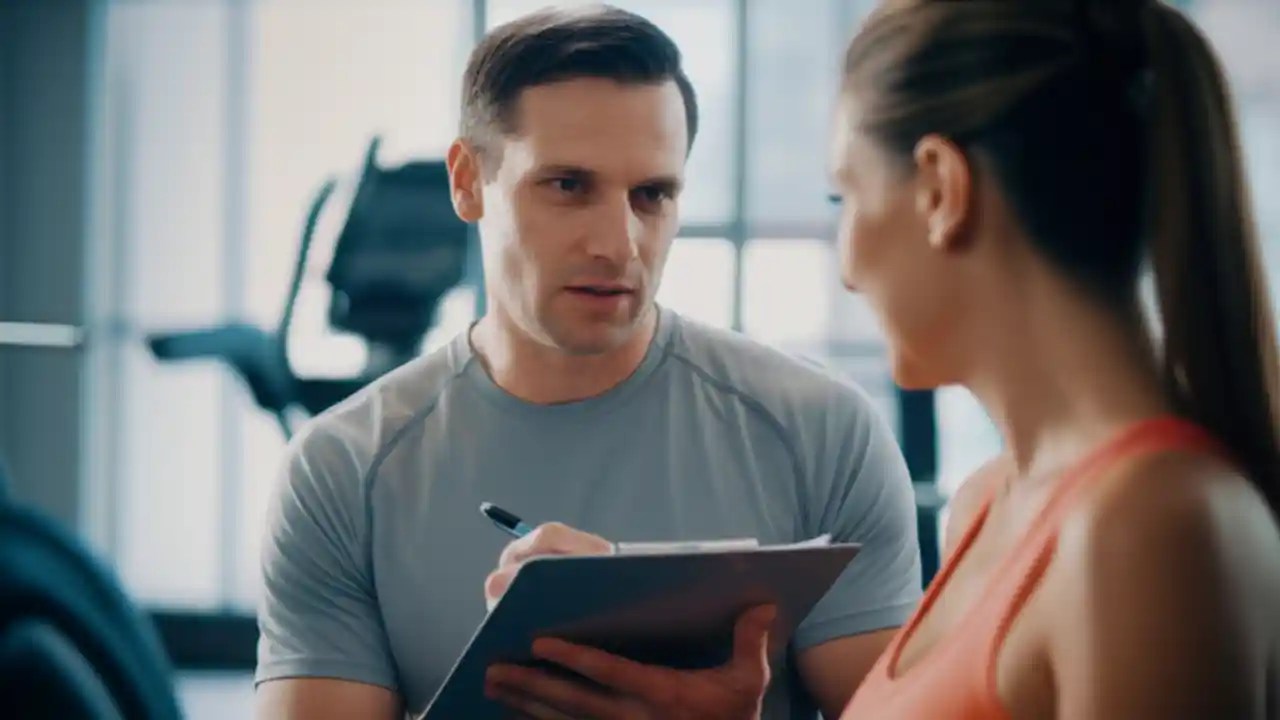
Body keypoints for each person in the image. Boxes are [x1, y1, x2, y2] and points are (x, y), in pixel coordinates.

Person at [482, 0, 1280, 718]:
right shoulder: (989, 505)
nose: (848, 268)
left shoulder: (1147, 528)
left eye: (846, 198)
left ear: (940, 189)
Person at [252, 5, 923, 720]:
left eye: (652, 195)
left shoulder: (822, 434)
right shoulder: (340, 472)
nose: (618, 244)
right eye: (568, 186)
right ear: (468, 181)